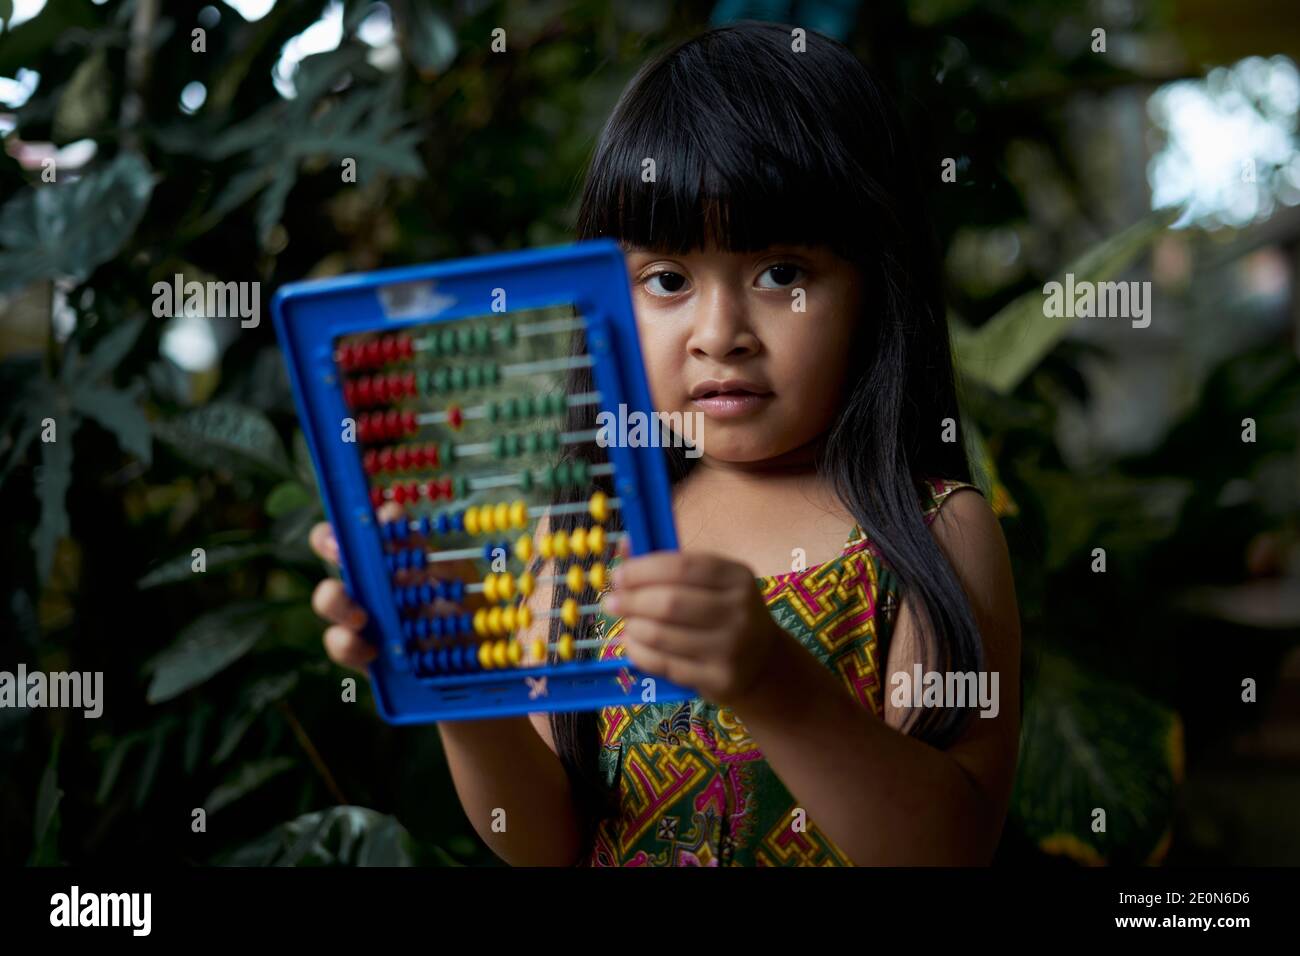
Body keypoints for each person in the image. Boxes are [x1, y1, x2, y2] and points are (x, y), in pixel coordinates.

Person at [309, 20, 1020, 866]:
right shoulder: (584, 541)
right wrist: (460, 678)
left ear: (876, 286)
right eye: (668, 280)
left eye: (781, 273)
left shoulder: (931, 531)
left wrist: (771, 682)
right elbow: (543, 843)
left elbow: (947, 849)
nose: (719, 334)